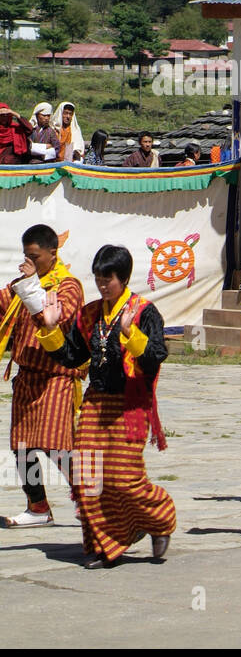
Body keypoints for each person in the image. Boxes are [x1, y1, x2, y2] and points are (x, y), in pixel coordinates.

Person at [36, 244, 174, 568]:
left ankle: (160, 519)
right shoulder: (90, 313)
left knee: (124, 478)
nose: (101, 285)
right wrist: (51, 328)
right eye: (98, 278)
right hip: (95, 404)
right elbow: (72, 357)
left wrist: (130, 334)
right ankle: (105, 545)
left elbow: (155, 358)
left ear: (123, 278)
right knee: (87, 478)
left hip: (130, 405)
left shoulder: (144, 312)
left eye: (107, 279)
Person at [0, 225, 84, 528]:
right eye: (26, 256)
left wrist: (32, 285)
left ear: (53, 252)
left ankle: (90, 500)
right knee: (21, 446)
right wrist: (27, 284)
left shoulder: (68, 285)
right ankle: (38, 507)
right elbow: (2, 306)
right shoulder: (22, 284)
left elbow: (58, 320)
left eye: (35, 257)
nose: (30, 262)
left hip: (56, 377)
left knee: (57, 446)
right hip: (27, 377)